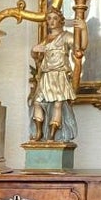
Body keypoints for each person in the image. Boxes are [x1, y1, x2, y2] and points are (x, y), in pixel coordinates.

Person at [28, 7, 87, 142]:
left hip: (59, 75)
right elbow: (37, 54)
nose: (51, 21)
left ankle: (52, 135)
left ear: (61, 21)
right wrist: (33, 51)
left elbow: (80, 47)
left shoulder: (66, 36)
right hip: (46, 76)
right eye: (49, 19)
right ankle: (38, 132)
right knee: (37, 102)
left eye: (55, 18)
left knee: (57, 104)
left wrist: (83, 29)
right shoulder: (47, 38)